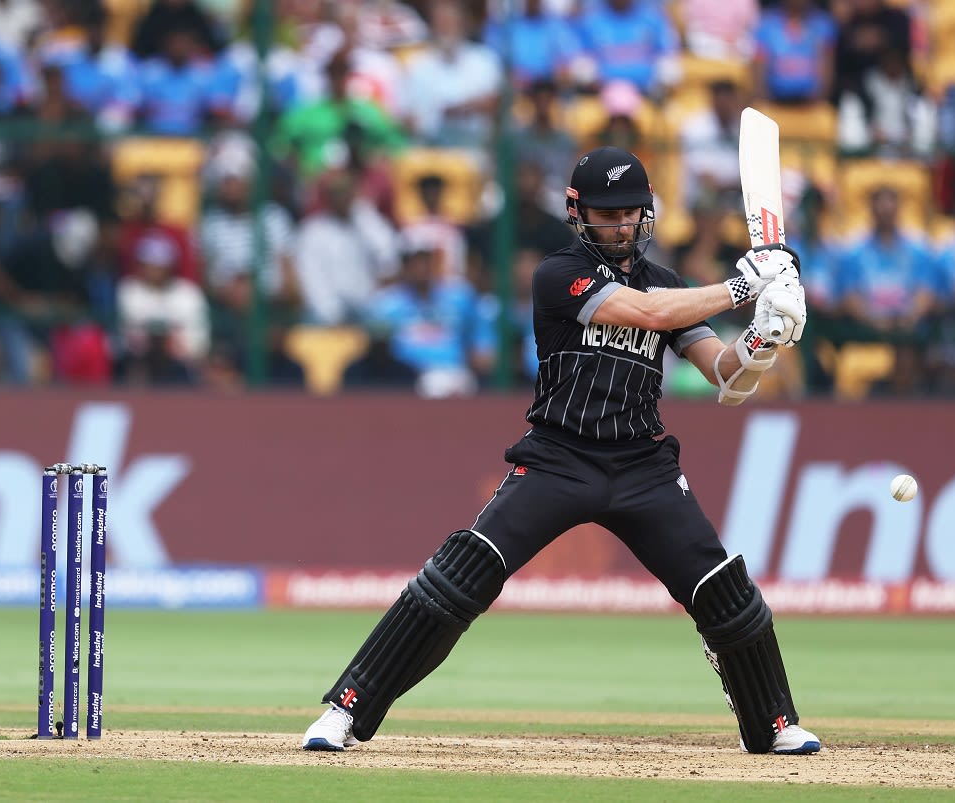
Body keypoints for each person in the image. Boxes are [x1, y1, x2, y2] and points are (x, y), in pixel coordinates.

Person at [301, 146, 821, 756]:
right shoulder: (559, 273)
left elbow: (728, 381)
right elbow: (645, 315)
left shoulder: (669, 284)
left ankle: (776, 724)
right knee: (458, 579)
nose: (622, 225)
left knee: (722, 590)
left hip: (642, 468)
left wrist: (765, 334)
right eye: (608, 214)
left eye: (632, 212)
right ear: (579, 214)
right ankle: (347, 708)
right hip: (558, 458)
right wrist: (742, 286)